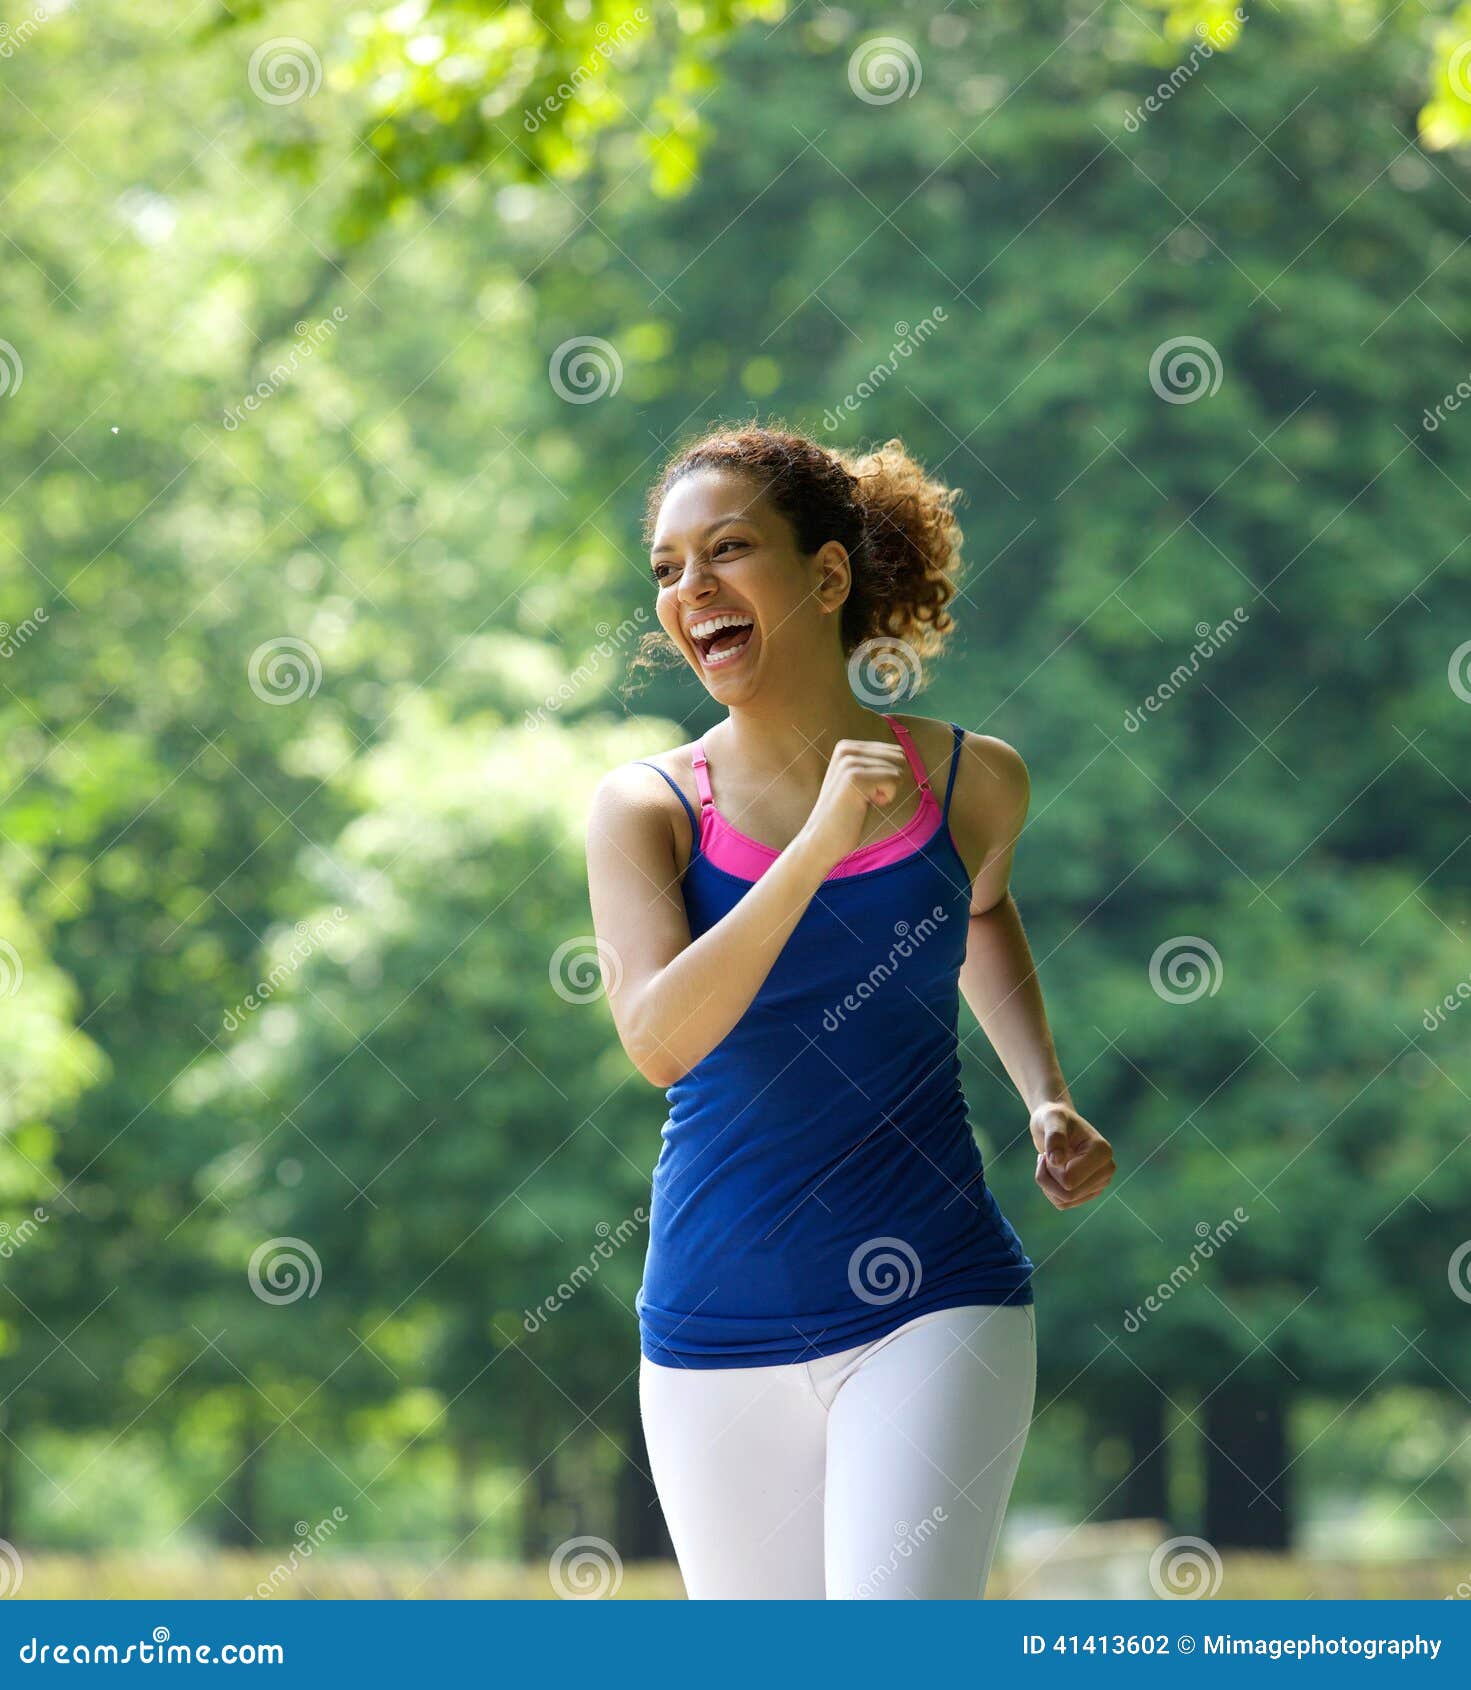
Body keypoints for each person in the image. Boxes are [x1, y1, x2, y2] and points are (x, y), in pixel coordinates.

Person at [585, 423, 1115, 1599]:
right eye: (667, 568)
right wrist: (819, 842)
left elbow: (978, 912)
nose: (691, 590)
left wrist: (1045, 1091)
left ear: (827, 575)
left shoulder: (971, 779)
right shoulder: (646, 808)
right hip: (709, 1329)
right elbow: (661, 1039)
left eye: (729, 550)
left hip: (935, 1300)